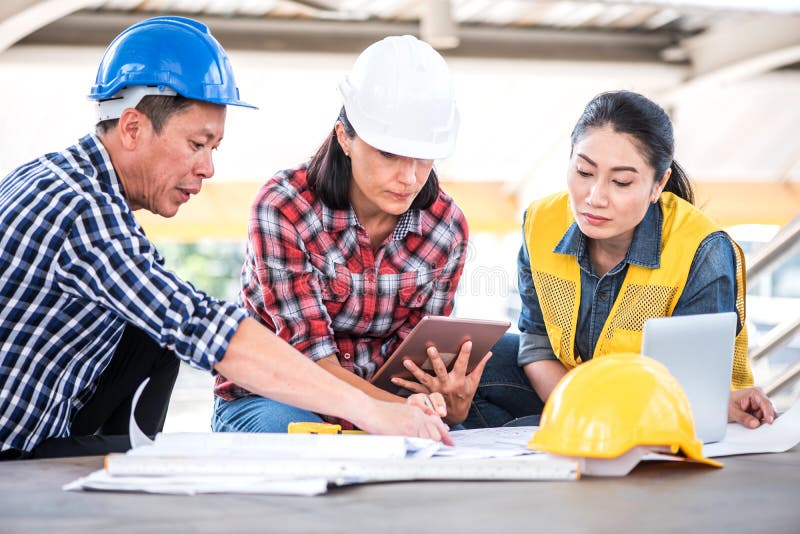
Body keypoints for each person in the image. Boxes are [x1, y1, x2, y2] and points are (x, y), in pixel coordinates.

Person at [0, 17, 451, 460]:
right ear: (133, 127)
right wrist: (374, 411)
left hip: (43, 431)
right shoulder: (80, 209)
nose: (207, 168)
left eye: (213, 149)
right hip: (11, 449)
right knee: (168, 333)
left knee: (150, 335)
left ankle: (130, 466)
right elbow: (201, 327)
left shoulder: (58, 180)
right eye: (198, 144)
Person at [212, 35, 486, 434]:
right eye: (389, 154)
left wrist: (447, 399)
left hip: (386, 396)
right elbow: (307, 362)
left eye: (423, 157)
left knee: (450, 445)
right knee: (306, 448)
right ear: (345, 137)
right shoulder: (284, 207)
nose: (408, 178)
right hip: (276, 397)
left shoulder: (446, 228)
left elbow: (414, 365)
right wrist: (401, 414)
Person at [464, 90, 776, 430]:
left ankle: (538, 439)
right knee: (472, 361)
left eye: (621, 181)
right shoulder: (541, 221)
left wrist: (595, 421)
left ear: (658, 185)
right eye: (584, 172)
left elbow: (688, 392)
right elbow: (536, 344)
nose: (595, 197)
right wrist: (583, 415)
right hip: (577, 397)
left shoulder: (702, 248)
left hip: (665, 413)